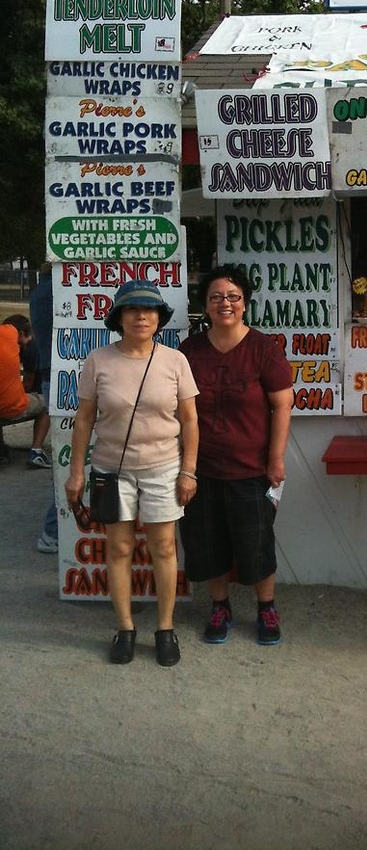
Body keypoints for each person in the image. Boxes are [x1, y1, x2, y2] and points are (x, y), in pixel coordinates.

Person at [64, 280, 199, 667]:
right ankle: (125, 628)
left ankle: (165, 629)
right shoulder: (99, 360)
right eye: (132, 309)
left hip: (164, 468)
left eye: (150, 310)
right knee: (120, 548)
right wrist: (77, 473)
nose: (142, 316)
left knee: (165, 548)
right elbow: (84, 419)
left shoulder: (175, 361)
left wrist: (188, 471)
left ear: (159, 318)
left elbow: (190, 421)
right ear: (119, 318)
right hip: (112, 469)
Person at [178, 265, 293, 647]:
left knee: (256, 543)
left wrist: (275, 459)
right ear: (206, 305)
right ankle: (219, 605)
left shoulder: (263, 349)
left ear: (244, 304)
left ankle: (266, 607)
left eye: (233, 297)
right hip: (200, 467)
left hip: (250, 467)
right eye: (216, 297)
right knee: (208, 542)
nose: (224, 303)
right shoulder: (189, 351)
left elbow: (283, 406)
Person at [30, 265, 59, 553]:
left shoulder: (42, 289)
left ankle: (55, 530)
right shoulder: (58, 288)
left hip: (52, 372)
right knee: (72, 454)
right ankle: (53, 530)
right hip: (63, 372)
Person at [0, 314, 51, 469]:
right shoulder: (12, 333)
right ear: (20, 333)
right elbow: (28, 383)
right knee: (48, 403)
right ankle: (36, 451)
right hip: (10, 407)